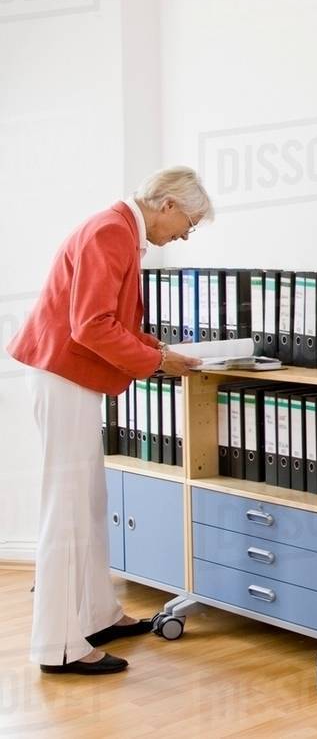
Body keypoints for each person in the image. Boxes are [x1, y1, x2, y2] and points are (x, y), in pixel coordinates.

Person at [7, 168, 212, 675]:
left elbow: (112, 324)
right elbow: (91, 326)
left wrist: (159, 349)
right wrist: (158, 361)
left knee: (91, 502)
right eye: (189, 221)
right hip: (63, 374)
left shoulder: (121, 230)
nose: (187, 233)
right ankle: (56, 646)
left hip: (71, 375)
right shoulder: (110, 232)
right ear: (166, 204)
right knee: (68, 506)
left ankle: (96, 614)